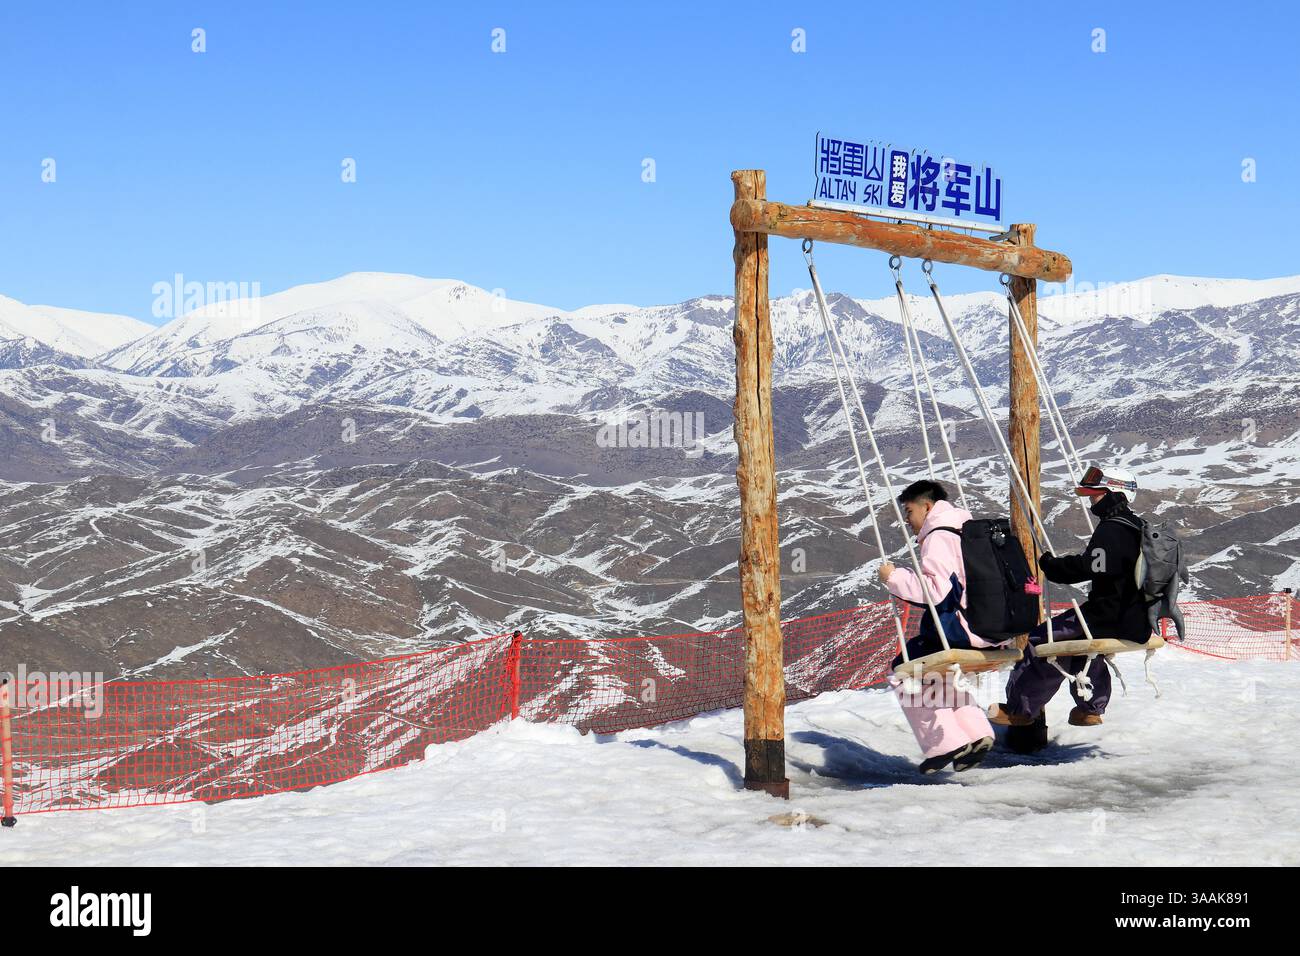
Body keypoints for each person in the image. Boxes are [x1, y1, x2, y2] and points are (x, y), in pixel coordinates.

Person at [991, 464, 1150, 736]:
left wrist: (1051, 566)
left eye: (1097, 494)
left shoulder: (1111, 529)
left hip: (1106, 615)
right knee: (1082, 647)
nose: (1092, 500)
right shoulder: (1139, 526)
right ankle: (1090, 708)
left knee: (1043, 640)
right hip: (1136, 617)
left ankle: (1020, 711)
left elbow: (1090, 567)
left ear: (1116, 494)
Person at [879, 479, 1000, 774]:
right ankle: (975, 733)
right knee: (936, 675)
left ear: (927, 506)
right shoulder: (969, 528)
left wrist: (893, 577)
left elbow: (936, 591)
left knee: (904, 669)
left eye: (909, 512)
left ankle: (945, 744)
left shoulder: (938, 535)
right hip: (991, 628)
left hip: (962, 629)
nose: (908, 521)